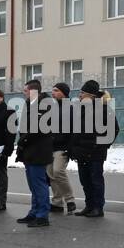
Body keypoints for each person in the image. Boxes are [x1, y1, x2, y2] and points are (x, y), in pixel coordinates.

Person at [15, 79, 53, 227]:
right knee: (33, 184)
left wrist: (22, 141)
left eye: (25, 91)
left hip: (38, 150)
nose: (23, 94)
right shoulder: (30, 104)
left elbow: (37, 129)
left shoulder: (45, 105)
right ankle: (34, 212)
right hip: (30, 149)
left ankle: (42, 215)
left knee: (39, 184)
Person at [69, 80, 109, 217]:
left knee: (96, 181)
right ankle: (89, 205)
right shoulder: (80, 109)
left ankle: (98, 207)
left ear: (91, 96)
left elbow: (113, 130)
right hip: (81, 152)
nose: (79, 95)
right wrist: (73, 148)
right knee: (85, 180)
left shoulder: (103, 109)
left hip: (95, 153)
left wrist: (99, 146)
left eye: (83, 93)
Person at [47, 82, 77, 215]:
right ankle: (57, 202)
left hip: (63, 146)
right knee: (51, 174)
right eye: (53, 90)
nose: (53, 93)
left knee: (58, 171)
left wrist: (70, 147)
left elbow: (74, 130)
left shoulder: (71, 108)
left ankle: (70, 200)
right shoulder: (53, 108)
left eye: (56, 90)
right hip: (51, 146)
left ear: (64, 93)